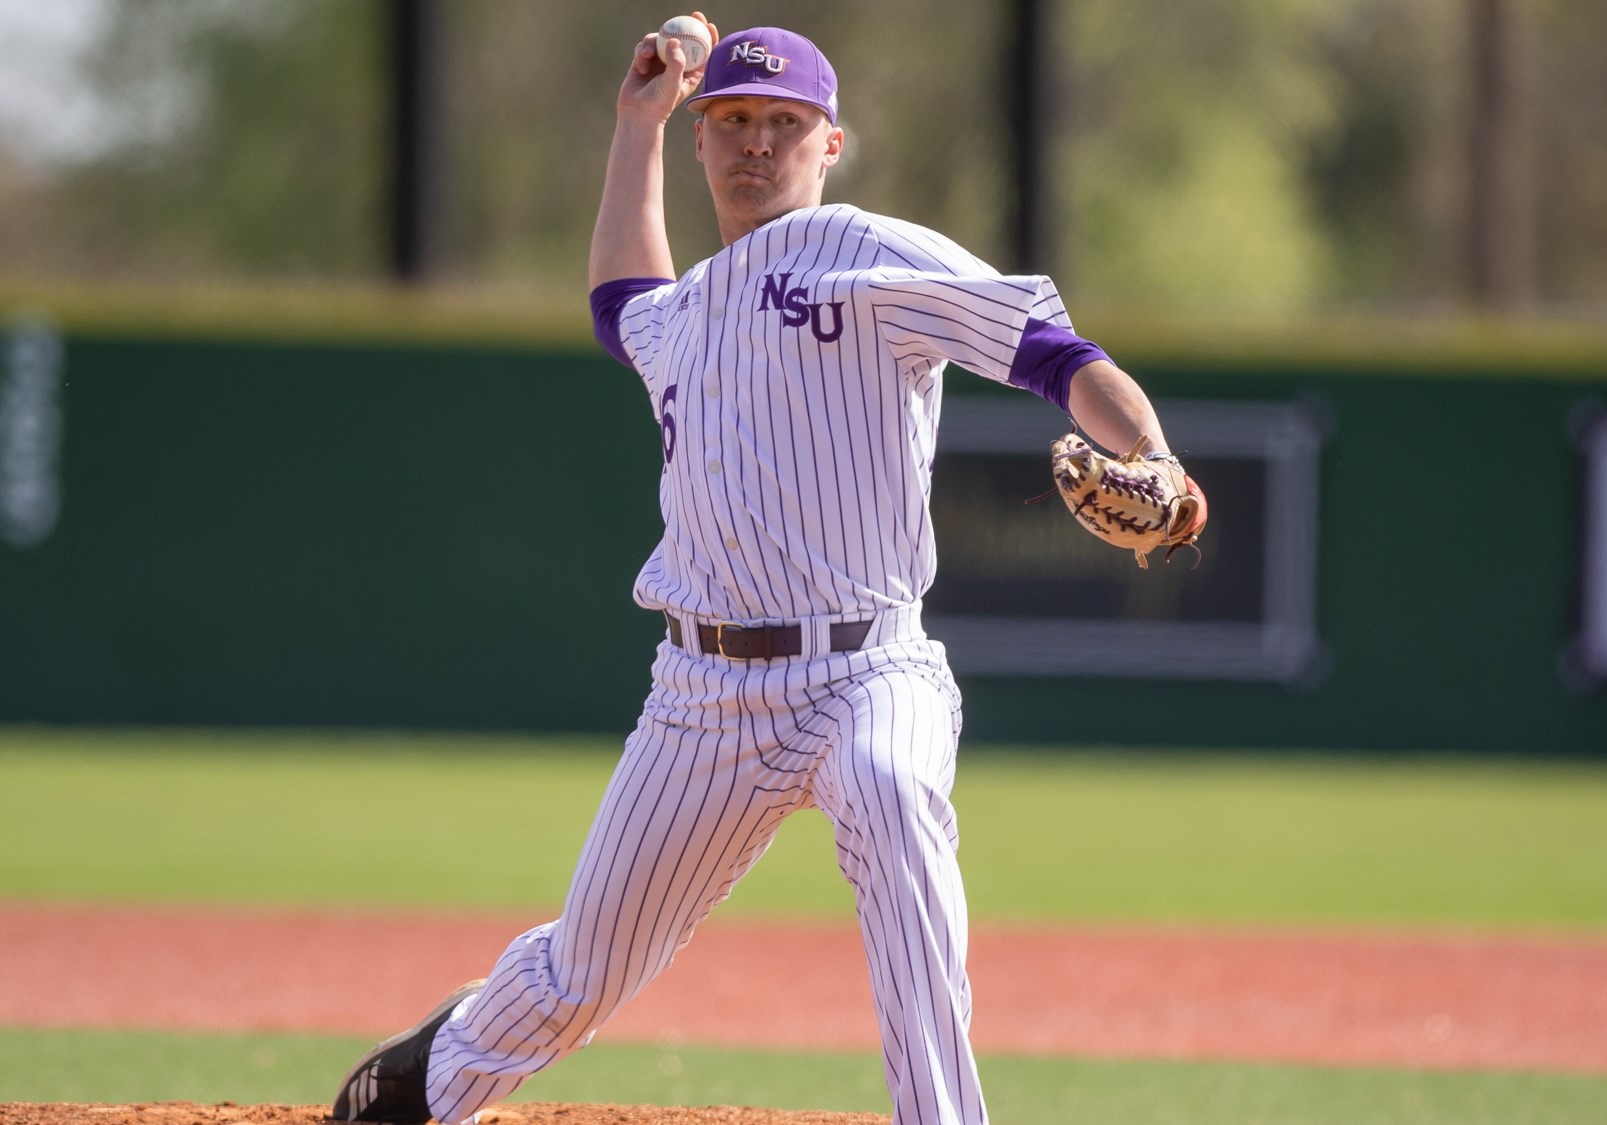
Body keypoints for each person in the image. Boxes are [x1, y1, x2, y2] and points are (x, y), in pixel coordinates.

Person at [332, 16, 1198, 1125]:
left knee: (891, 796)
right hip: (701, 696)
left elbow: (1056, 355)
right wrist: (637, 125)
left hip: (870, 668)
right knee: (586, 967)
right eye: (733, 119)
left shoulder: (870, 252)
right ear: (702, 138)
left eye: (783, 123)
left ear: (829, 142)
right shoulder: (683, 312)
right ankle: (435, 1076)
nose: (755, 141)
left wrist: (1155, 455)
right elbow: (617, 303)